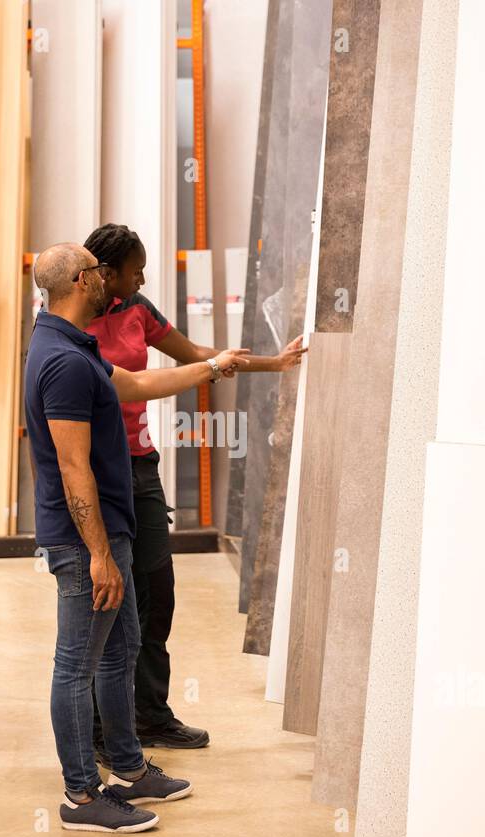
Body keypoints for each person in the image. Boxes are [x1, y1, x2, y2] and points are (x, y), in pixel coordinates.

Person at [24, 242, 250, 833]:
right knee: (77, 665)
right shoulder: (65, 362)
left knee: (122, 648)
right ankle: (80, 797)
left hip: (111, 529)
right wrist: (98, 553)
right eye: (98, 269)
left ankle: (126, 766)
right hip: (84, 542)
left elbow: (136, 384)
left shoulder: (74, 346)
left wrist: (213, 365)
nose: (109, 275)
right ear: (80, 280)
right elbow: (74, 468)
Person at [82, 223, 306, 758]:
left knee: (158, 596)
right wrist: (208, 367)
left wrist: (273, 363)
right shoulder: (75, 322)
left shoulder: (138, 308)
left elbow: (194, 354)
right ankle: (97, 730)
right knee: (107, 604)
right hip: (98, 473)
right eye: (136, 268)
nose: (143, 277)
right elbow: (139, 382)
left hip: (141, 467)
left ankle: (151, 715)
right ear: (106, 273)